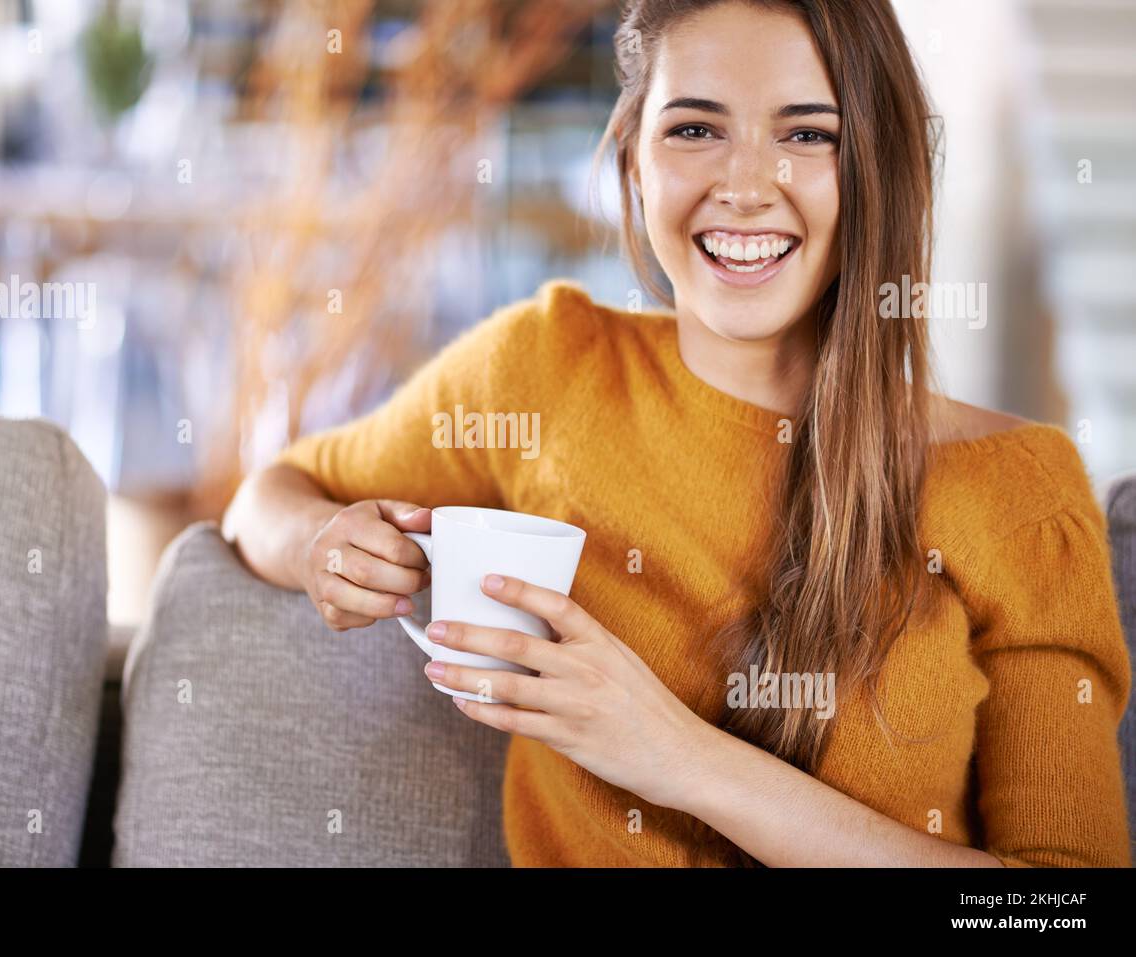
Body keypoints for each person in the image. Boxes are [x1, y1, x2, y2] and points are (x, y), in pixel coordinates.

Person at [221, 0, 1131, 867]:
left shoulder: (1021, 491)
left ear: (879, 169)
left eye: (807, 134)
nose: (742, 187)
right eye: (695, 129)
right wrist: (319, 549)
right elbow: (273, 494)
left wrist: (677, 757)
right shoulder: (546, 368)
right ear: (632, 162)